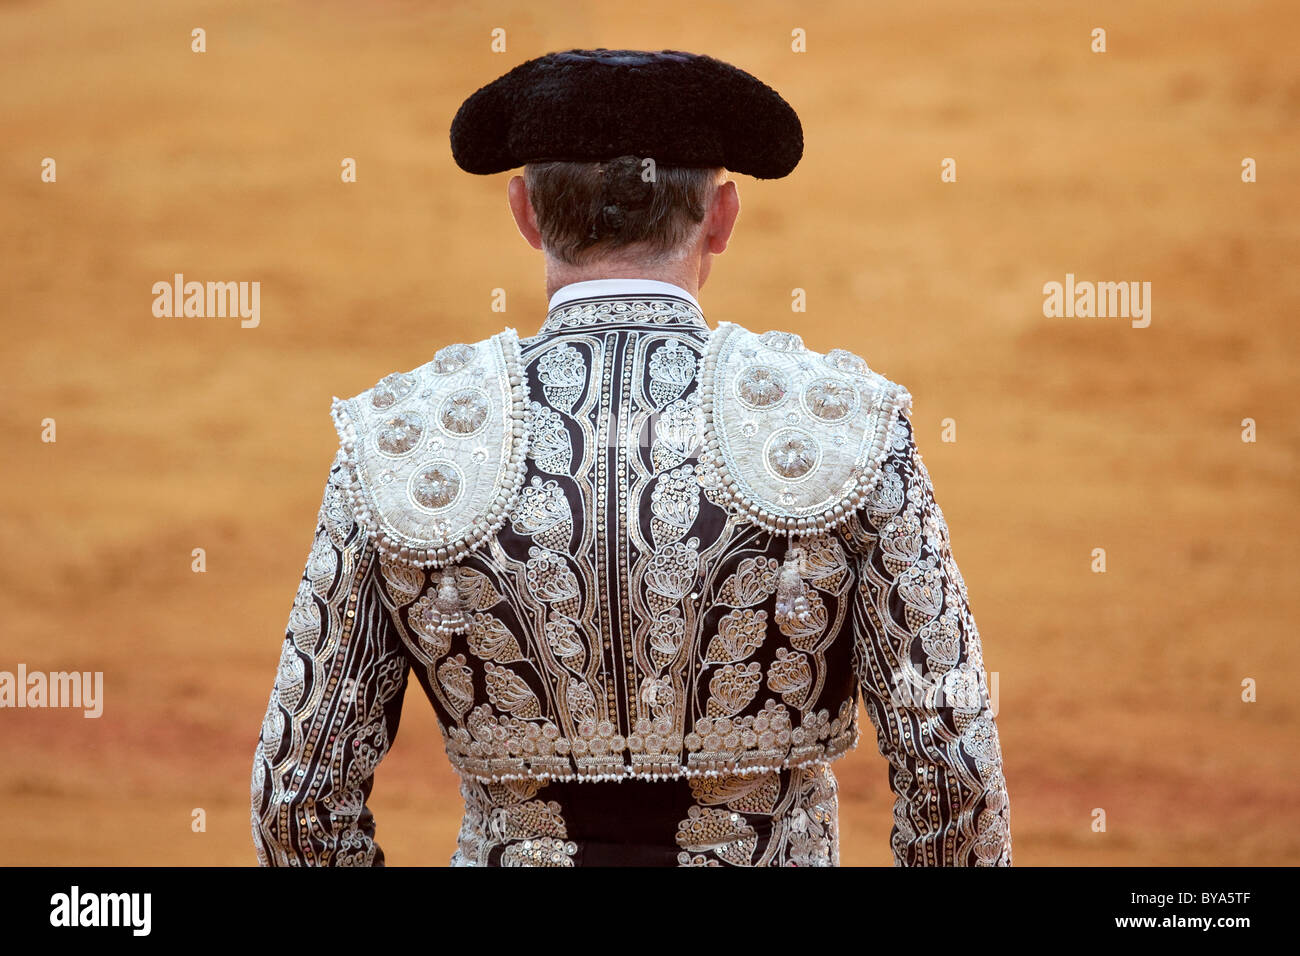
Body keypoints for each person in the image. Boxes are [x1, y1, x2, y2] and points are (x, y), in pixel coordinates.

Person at [249, 48, 1012, 867]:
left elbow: (299, 799)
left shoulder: (403, 438)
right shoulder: (849, 428)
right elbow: (952, 779)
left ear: (526, 213)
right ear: (721, 216)